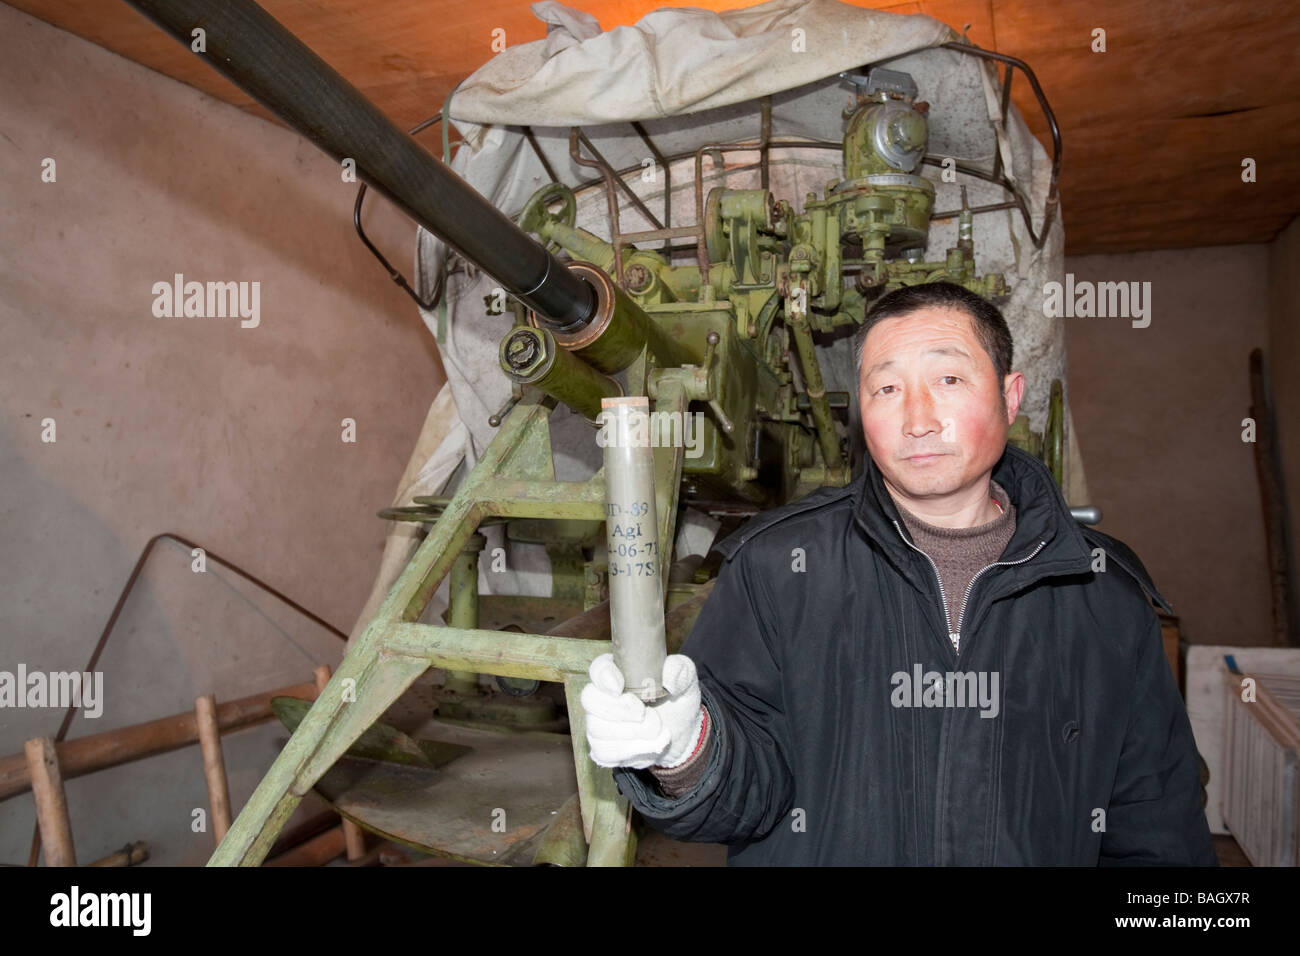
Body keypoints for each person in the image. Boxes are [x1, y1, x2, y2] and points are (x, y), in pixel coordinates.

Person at [580, 281, 1217, 866]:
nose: (917, 419)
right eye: (886, 389)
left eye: (948, 379)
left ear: (1010, 394)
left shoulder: (1101, 593)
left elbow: (1155, 830)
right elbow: (748, 795)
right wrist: (687, 750)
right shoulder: (776, 569)